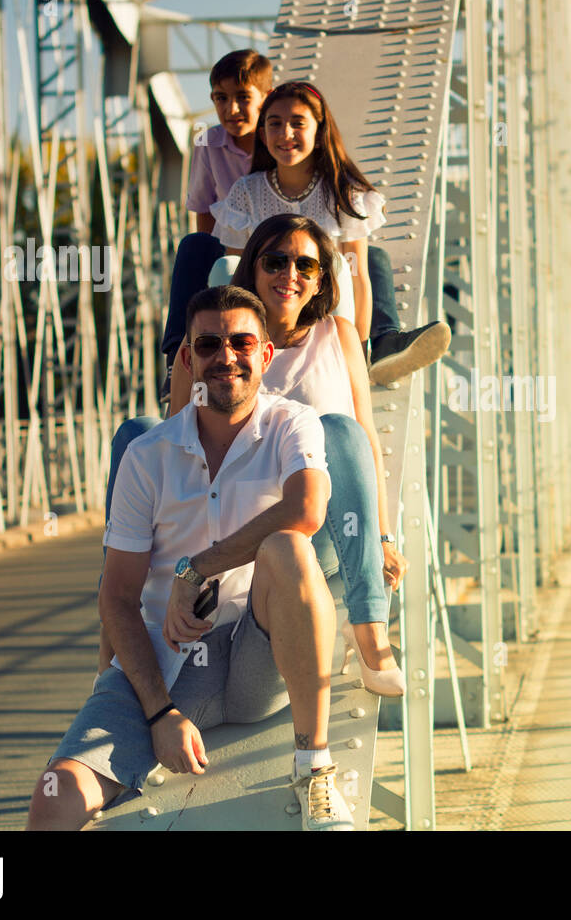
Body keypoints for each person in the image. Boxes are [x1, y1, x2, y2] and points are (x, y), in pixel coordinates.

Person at [29, 285, 355, 831]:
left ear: (265, 354)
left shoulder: (291, 424)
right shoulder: (147, 455)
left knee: (288, 545)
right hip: (166, 663)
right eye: (208, 344)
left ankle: (314, 768)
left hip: (258, 655)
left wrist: (196, 567)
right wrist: (159, 714)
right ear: (187, 357)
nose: (226, 356)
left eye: (242, 342)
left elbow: (306, 509)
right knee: (53, 797)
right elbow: (117, 595)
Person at [168, 213, 406, 695]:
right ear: (252, 267)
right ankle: (115, 649)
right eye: (275, 260)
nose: (289, 275)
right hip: (237, 541)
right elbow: (177, 456)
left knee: (338, 430)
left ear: (321, 280)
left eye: (306, 265)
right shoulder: (214, 348)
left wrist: (381, 535)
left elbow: (365, 443)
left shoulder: (338, 338)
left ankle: (368, 627)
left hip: (319, 534)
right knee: (139, 433)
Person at [163, 69, 449, 405]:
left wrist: (357, 349)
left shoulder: (344, 192)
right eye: (273, 123)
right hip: (264, 310)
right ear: (262, 131)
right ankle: (199, 361)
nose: (285, 133)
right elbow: (236, 276)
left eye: (298, 123)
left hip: (320, 308)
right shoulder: (247, 192)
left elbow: (357, 279)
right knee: (224, 265)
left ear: (319, 129)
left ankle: (376, 350)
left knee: (345, 263)